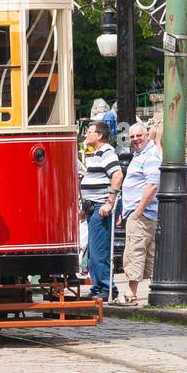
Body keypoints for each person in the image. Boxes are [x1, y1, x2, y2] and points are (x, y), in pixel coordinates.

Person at [78, 120, 123, 301]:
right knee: (93, 251)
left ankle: (106, 287)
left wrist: (109, 202)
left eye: (89, 132)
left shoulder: (107, 152)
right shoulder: (94, 154)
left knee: (98, 250)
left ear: (99, 135)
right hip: (92, 206)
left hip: (100, 207)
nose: (86, 135)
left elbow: (118, 175)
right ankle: (98, 287)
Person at [119, 120, 161, 305]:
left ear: (147, 135)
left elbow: (152, 185)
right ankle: (156, 292)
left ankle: (131, 294)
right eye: (132, 137)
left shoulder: (150, 156)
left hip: (142, 214)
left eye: (139, 136)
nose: (135, 139)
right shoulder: (141, 154)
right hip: (140, 213)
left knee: (134, 251)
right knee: (148, 252)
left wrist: (137, 211)